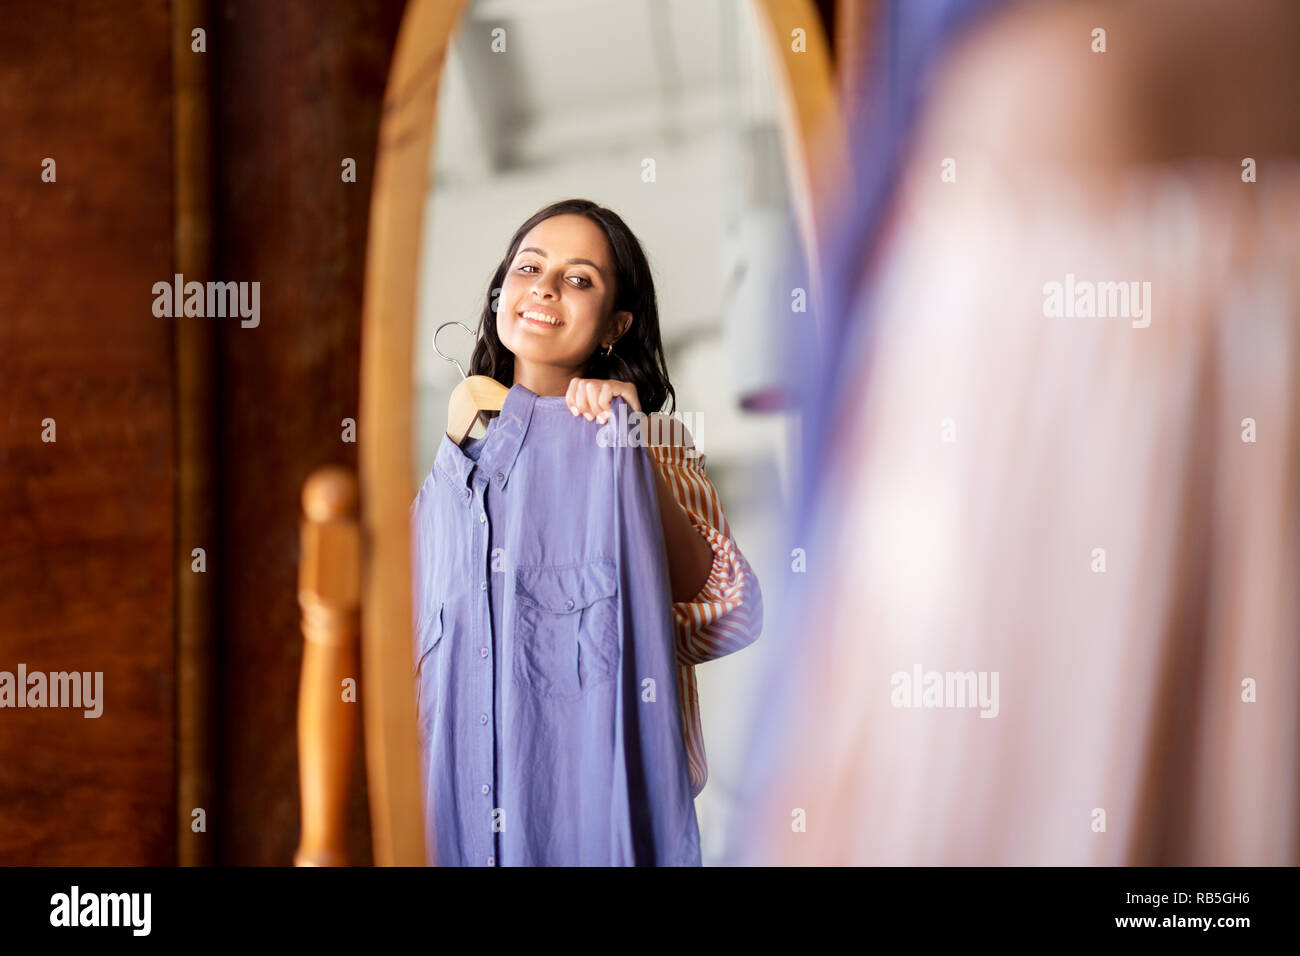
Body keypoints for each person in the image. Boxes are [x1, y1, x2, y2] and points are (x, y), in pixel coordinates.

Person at [461, 198, 763, 798]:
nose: (545, 288)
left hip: (613, 807)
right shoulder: (460, 468)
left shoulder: (653, 442)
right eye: (528, 269)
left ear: (614, 326)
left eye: (578, 279)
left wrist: (629, 451)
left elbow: (731, 614)